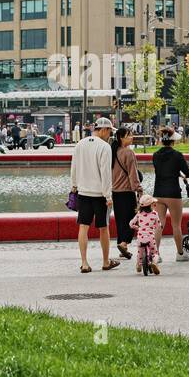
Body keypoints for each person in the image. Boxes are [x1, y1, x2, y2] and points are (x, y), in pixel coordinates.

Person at [69, 117, 119, 273]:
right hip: (100, 195)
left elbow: (74, 167)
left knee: (83, 227)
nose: (110, 135)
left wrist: (74, 186)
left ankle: (84, 263)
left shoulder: (80, 144)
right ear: (104, 130)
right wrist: (108, 196)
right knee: (103, 228)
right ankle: (105, 262)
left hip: (83, 192)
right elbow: (106, 173)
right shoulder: (105, 147)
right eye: (110, 132)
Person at [151, 125, 189, 263]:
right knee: (176, 225)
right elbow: (188, 173)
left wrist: (177, 173)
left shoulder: (155, 155)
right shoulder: (177, 155)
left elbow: (162, 171)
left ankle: (155, 254)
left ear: (162, 140)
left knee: (159, 224)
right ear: (173, 141)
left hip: (158, 193)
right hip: (173, 192)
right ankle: (180, 253)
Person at [111, 126, 142, 260]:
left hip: (115, 192)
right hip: (127, 191)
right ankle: (124, 243)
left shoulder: (113, 152)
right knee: (132, 219)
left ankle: (121, 245)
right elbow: (132, 174)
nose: (132, 137)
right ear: (121, 138)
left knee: (120, 220)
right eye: (129, 135)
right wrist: (139, 189)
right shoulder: (128, 153)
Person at [129, 195, 162, 275]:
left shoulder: (139, 214)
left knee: (140, 253)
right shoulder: (154, 214)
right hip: (150, 238)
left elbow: (131, 223)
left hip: (140, 237)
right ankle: (154, 262)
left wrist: (137, 227)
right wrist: (158, 227)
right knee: (155, 253)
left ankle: (139, 265)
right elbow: (158, 225)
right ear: (151, 205)